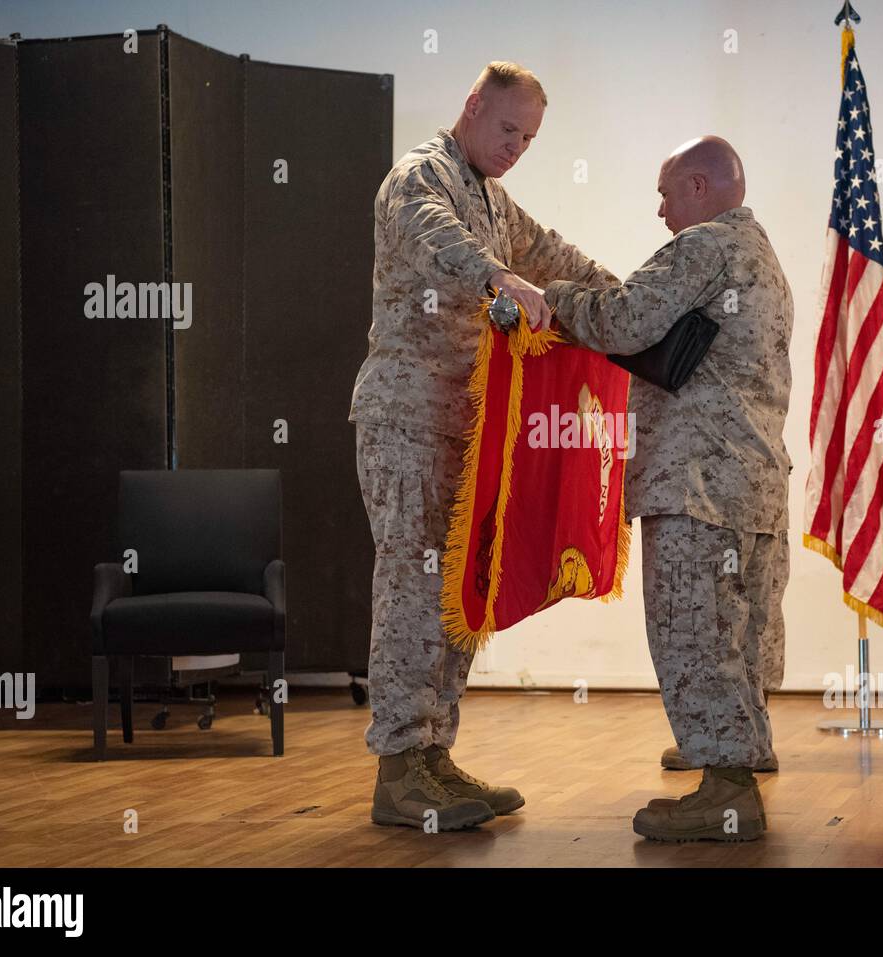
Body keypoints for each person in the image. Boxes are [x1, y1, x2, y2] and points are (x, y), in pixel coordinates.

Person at [349, 62, 617, 830]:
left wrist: (628, 307)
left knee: (462, 585)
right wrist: (501, 277)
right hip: (407, 417)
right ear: (472, 106)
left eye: (530, 138)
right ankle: (398, 767)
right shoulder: (418, 178)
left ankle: (435, 754)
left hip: (470, 428)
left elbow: (559, 257)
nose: (517, 148)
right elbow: (443, 245)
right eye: (508, 129)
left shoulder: (496, 200)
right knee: (410, 586)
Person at [541, 136, 793, 841]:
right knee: (735, 631)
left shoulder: (705, 247)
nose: (658, 210)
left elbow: (623, 320)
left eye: (664, 192)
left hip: (698, 481)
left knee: (693, 630)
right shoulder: (762, 257)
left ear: (701, 186)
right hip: (750, 481)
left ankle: (727, 792)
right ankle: (737, 753)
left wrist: (553, 297)